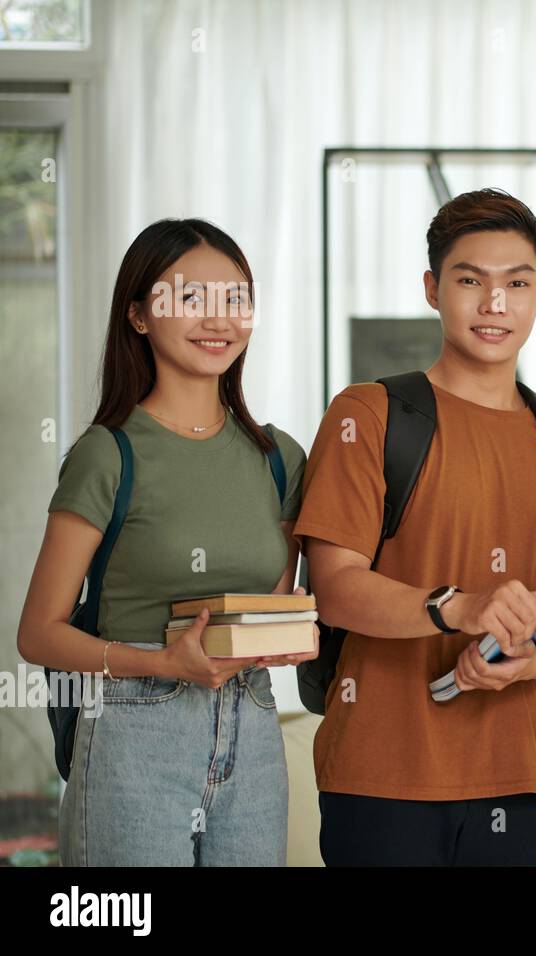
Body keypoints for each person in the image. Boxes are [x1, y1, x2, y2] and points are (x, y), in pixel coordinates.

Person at [296, 188, 536, 867]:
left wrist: (534, 664)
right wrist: (461, 608)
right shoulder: (370, 415)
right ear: (434, 289)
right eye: (471, 281)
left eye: (516, 284)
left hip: (516, 775)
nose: (495, 305)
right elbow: (336, 587)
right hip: (378, 774)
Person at [17, 218, 314, 866]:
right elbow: (38, 634)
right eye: (189, 298)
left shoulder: (279, 459)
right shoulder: (109, 455)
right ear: (139, 315)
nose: (219, 319)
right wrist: (163, 663)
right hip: (135, 731)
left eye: (234, 299)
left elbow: (273, 604)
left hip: (254, 734)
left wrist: (283, 636)